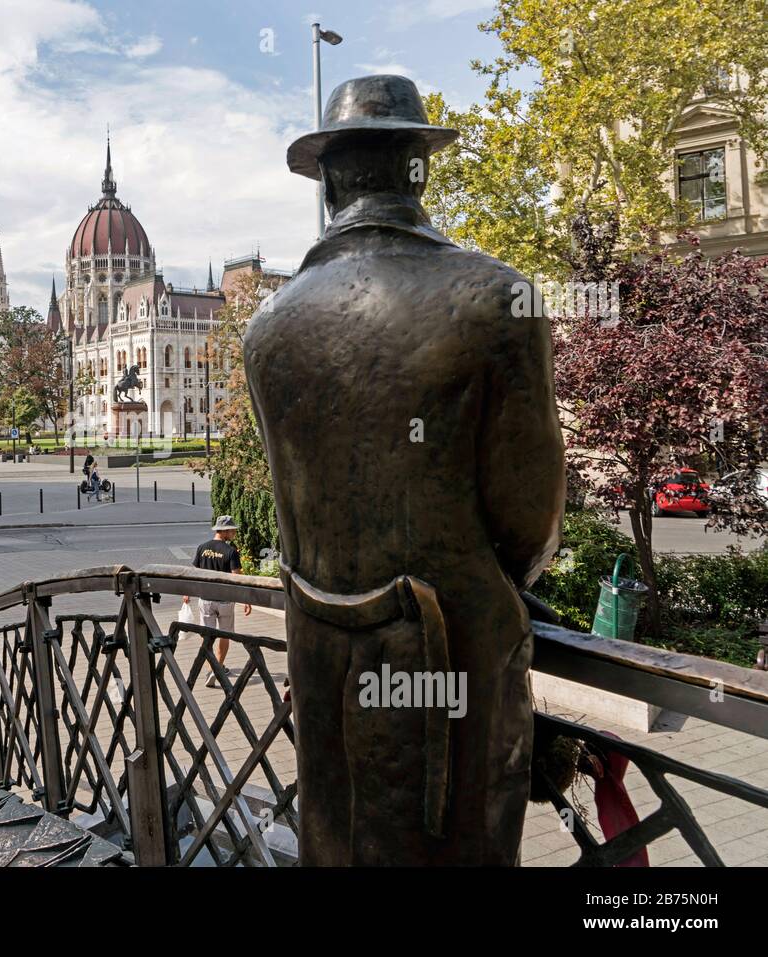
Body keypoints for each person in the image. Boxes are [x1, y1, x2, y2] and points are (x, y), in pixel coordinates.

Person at [244, 75, 564, 864]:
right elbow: (531, 530)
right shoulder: (496, 299)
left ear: (327, 183)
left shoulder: (268, 327)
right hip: (456, 681)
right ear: (418, 166)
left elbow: (296, 519)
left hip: (324, 669)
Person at [183, 515, 252, 687]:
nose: (235, 533)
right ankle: (217, 668)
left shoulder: (202, 548)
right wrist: (246, 600)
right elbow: (237, 579)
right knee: (224, 634)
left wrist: (187, 593)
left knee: (207, 635)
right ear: (225, 531)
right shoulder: (231, 552)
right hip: (225, 601)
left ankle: (211, 667)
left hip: (205, 599)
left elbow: (194, 573)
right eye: (233, 530)